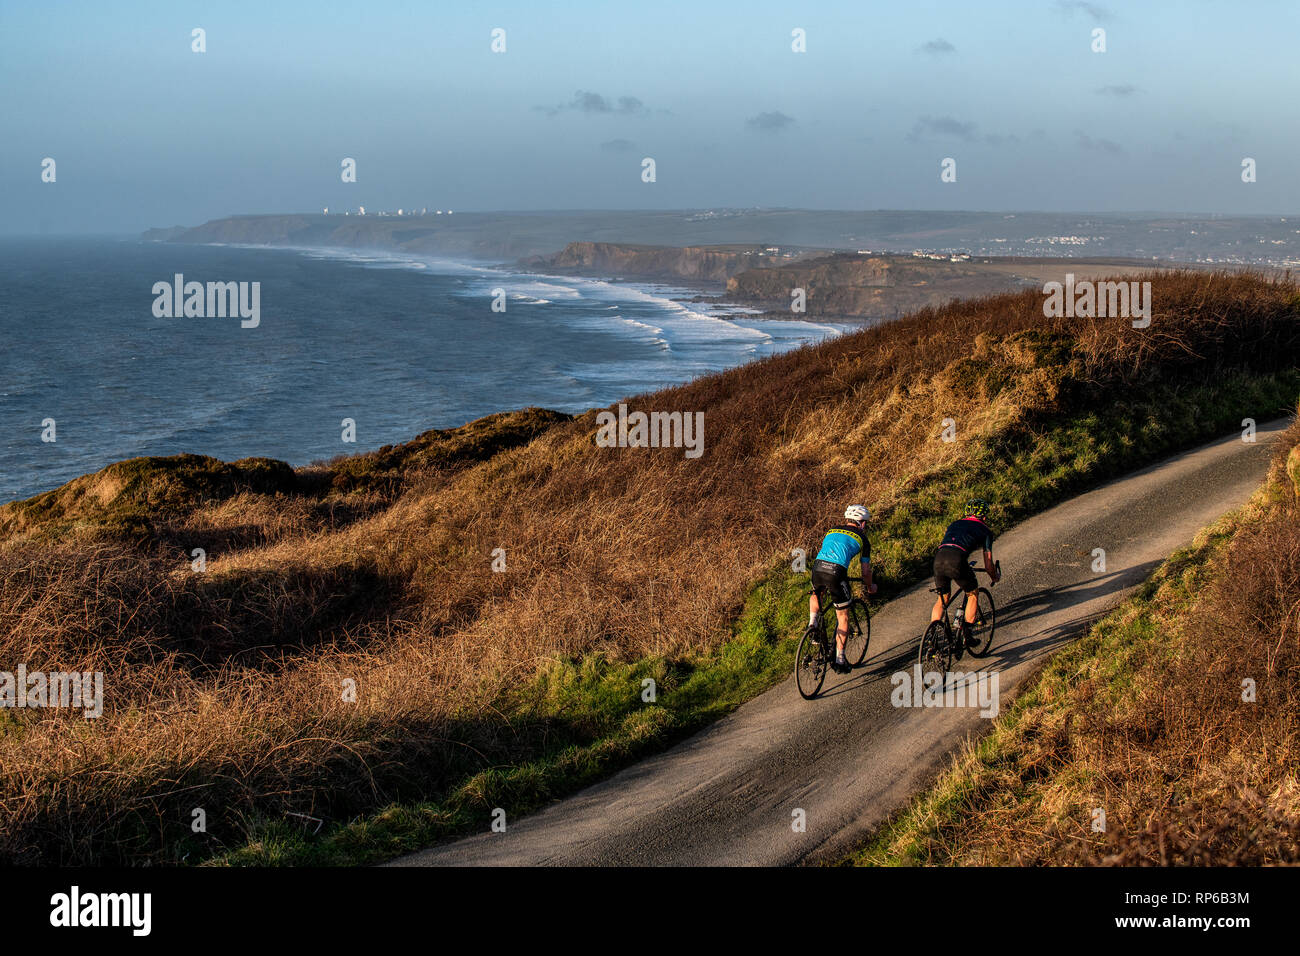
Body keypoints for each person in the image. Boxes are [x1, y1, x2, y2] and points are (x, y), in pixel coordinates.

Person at [809, 504, 877, 673]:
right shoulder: (863, 538)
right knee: (843, 617)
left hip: (817, 568)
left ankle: (812, 624)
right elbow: (866, 571)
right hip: (836, 572)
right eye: (865, 523)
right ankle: (840, 660)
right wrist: (870, 586)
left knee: (817, 593)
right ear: (861, 523)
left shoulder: (831, 530)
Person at [931, 498, 1000, 647]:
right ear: (985, 516)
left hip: (939, 558)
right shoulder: (986, 531)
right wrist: (994, 576)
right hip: (957, 560)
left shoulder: (954, 524)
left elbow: (955, 543)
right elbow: (988, 565)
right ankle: (968, 636)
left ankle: (933, 637)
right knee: (972, 593)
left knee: (942, 598)